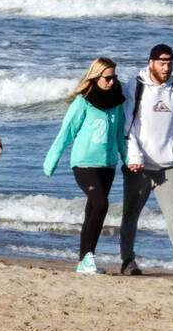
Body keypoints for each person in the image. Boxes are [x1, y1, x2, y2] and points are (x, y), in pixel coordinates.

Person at [118, 43, 173, 278]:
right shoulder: (135, 86)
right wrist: (134, 155)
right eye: (162, 63)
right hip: (138, 164)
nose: (166, 67)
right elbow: (127, 125)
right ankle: (127, 261)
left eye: (170, 63)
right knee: (131, 213)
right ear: (151, 62)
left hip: (168, 163)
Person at [43, 57, 127, 274]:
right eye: (107, 78)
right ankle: (88, 258)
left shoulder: (117, 103)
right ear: (96, 77)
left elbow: (119, 136)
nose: (111, 82)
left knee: (93, 210)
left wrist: (127, 160)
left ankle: (84, 261)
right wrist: (51, 160)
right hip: (84, 164)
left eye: (114, 77)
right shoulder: (83, 101)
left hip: (108, 165)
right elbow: (67, 131)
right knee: (100, 204)